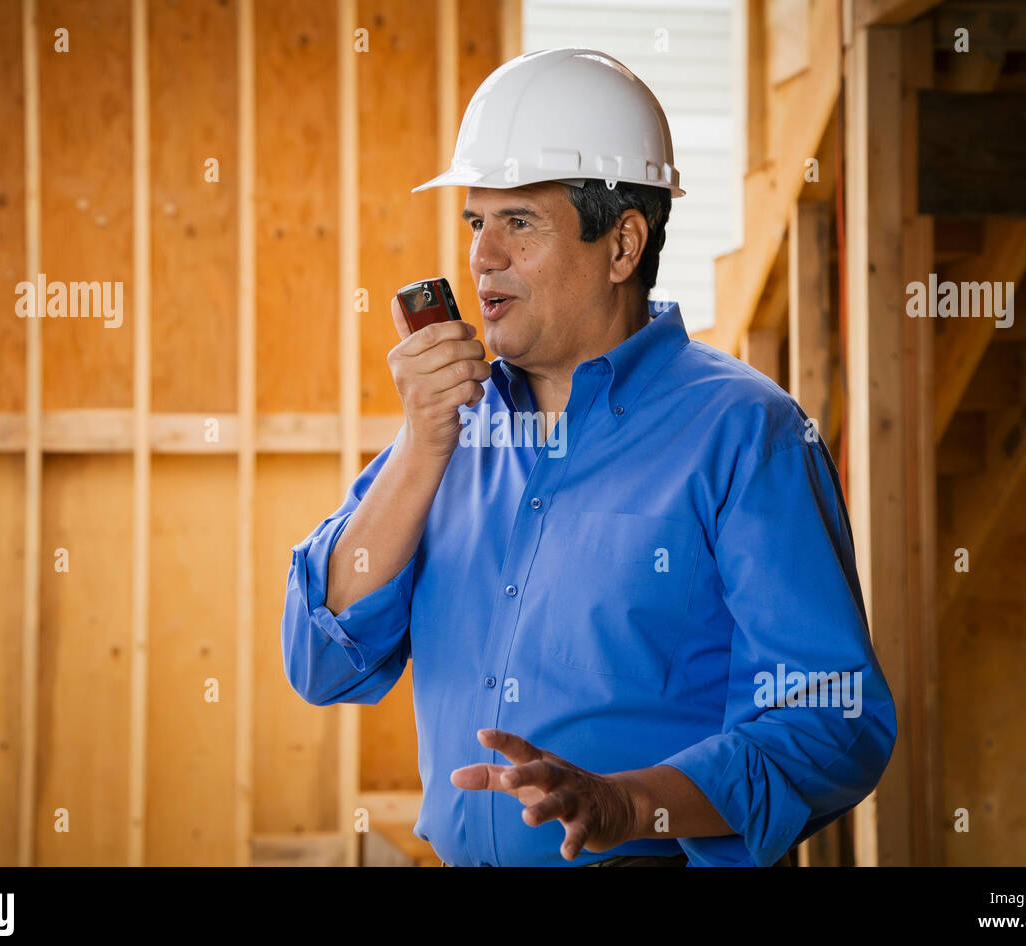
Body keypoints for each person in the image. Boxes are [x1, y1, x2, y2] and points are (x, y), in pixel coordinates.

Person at [281, 47, 896, 867]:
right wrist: (425, 443)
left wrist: (628, 804)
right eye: (475, 223)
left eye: (519, 223)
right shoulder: (446, 432)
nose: (482, 256)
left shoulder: (746, 433)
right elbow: (320, 662)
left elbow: (831, 721)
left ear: (623, 245)